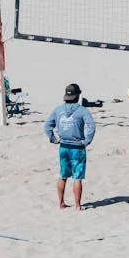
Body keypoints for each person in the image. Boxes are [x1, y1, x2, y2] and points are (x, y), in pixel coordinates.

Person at [44, 83, 96, 211]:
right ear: (78, 95)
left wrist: (53, 138)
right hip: (77, 147)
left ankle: (61, 203)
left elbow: (47, 126)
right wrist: (87, 141)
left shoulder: (58, 110)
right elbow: (91, 127)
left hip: (63, 146)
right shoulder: (82, 110)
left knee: (63, 175)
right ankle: (78, 205)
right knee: (77, 177)